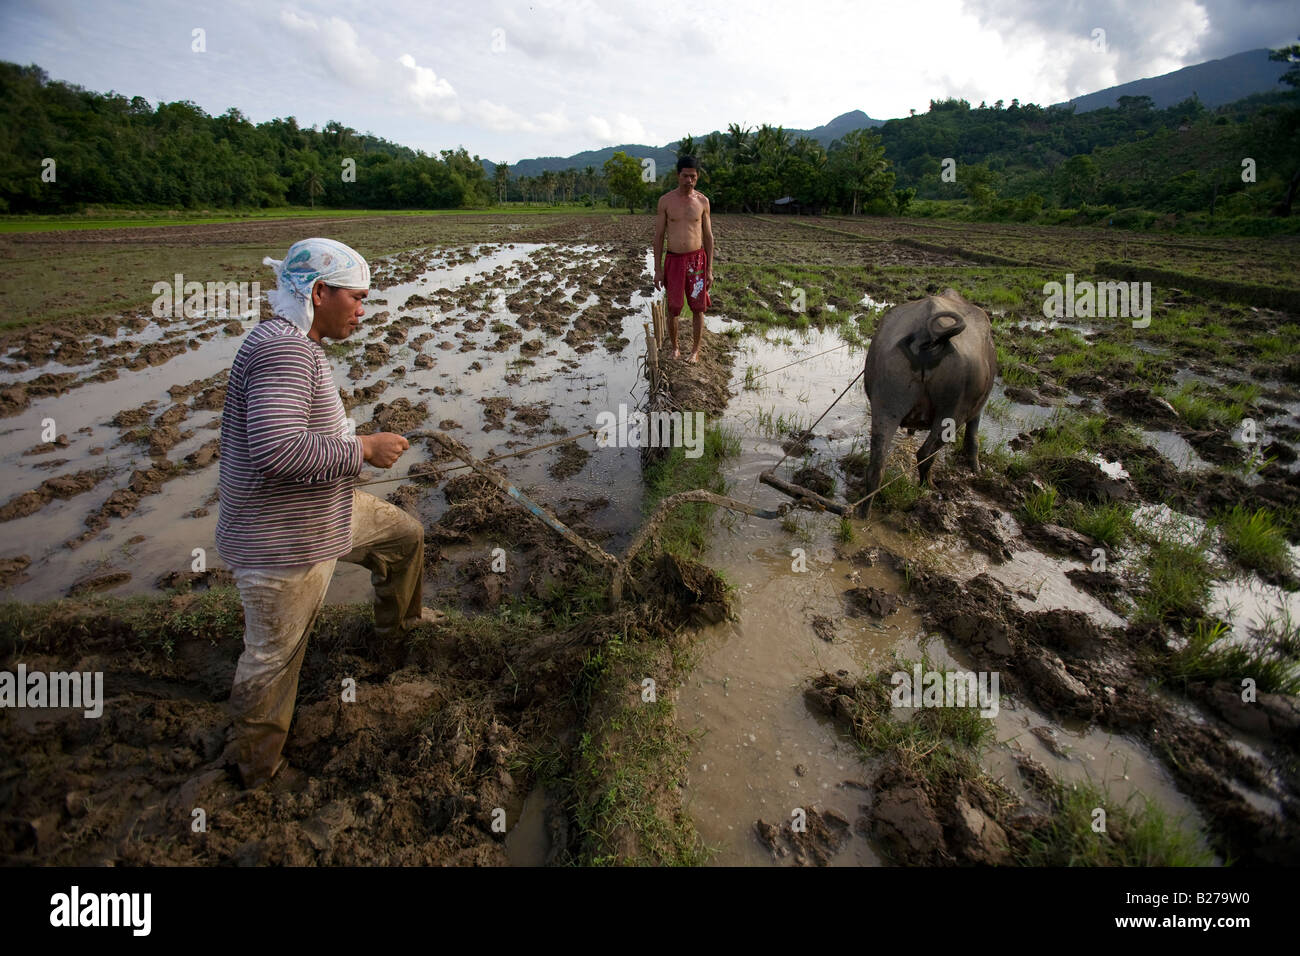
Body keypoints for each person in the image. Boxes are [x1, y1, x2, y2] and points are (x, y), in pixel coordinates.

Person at [216, 237, 433, 789]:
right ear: (318, 292)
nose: (363, 310)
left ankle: (395, 639)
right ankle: (255, 770)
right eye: (356, 298)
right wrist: (362, 449)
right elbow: (276, 450)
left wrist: (353, 449)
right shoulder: (285, 351)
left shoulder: (296, 343)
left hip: (324, 511)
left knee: (404, 538)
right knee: (272, 662)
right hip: (282, 539)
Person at [653, 155, 714, 363]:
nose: (689, 180)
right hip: (674, 261)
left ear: (697, 178)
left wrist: (710, 270)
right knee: (674, 307)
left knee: (698, 307)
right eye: (686, 176)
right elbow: (659, 236)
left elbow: (708, 237)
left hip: (697, 262)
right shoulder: (666, 201)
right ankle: (675, 348)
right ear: (678, 175)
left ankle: (695, 351)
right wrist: (657, 269)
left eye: (693, 177)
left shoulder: (702, 201)